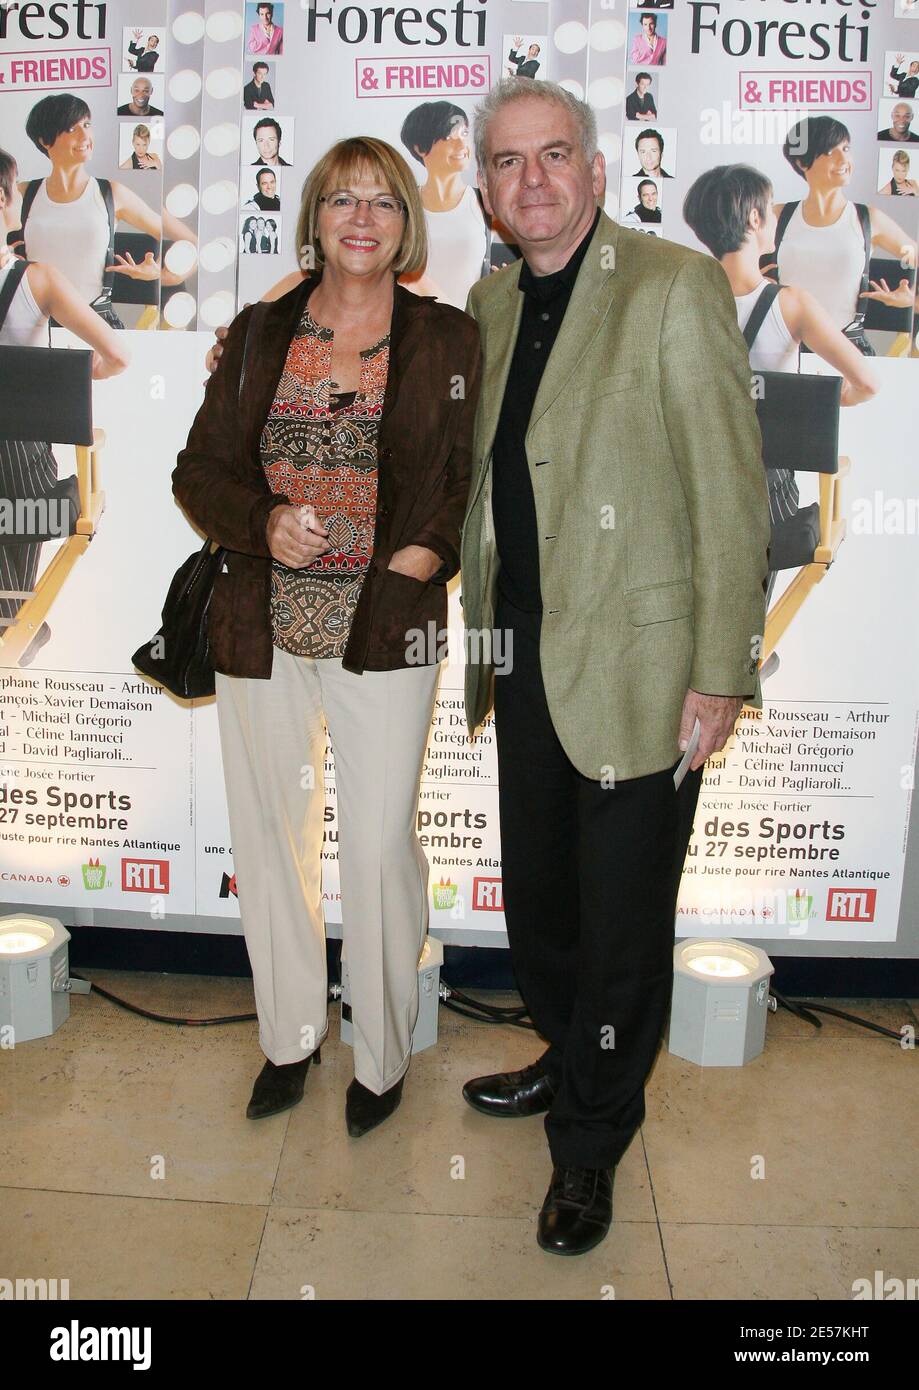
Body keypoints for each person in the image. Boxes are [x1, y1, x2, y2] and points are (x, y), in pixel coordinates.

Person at [459, 78, 770, 1257]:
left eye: (553, 156)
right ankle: (563, 1046)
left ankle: (588, 1146)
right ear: (485, 191)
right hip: (522, 652)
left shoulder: (673, 284)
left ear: (594, 171)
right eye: (506, 162)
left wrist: (721, 667)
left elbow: (731, 495)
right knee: (541, 901)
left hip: (643, 666)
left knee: (623, 921)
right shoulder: (488, 304)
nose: (530, 179)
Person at [172, 137, 480, 1138]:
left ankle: (382, 1053)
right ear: (315, 217)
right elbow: (198, 470)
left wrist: (422, 559)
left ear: (406, 226)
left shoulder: (447, 338)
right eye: (342, 199)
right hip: (263, 625)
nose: (361, 216)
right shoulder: (261, 333)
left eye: (382, 202)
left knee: (381, 845)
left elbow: (465, 480)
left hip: (384, 626)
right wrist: (262, 521)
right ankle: (290, 1035)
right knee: (272, 840)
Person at [683, 163, 879, 608]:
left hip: (689, 490)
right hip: (765, 498)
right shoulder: (790, 305)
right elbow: (867, 382)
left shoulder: (682, 298)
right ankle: (747, 661)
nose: (774, 219)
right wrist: (805, 405)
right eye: (769, 211)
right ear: (753, 220)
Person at [0, 150, 129, 667]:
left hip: (16, 488)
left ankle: (21, 631)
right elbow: (116, 355)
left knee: (14, 618)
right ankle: (20, 631)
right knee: (13, 614)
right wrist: (53, 379)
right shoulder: (39, 280)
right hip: (22, 480)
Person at [14, 94, 196, 328]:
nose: (85, 136)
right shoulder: (21, 193)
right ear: (45, 141)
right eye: (71, 128)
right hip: (33, 325)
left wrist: (163, 276)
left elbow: (190, 243)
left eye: (87, 125)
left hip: (95, 326)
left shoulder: (111, 193)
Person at [771, 116, 916, 352]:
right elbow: (738, 270)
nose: (844, 159)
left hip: (849, 353)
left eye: (846, 148)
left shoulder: (868, 220)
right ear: (801, 162)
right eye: (830, 151)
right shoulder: (777, 217)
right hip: (784, 351)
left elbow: (914, 254)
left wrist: (912, 301)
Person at [400, 101, 489, 310]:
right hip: (417, 333)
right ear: (420, 148)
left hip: (472, 332)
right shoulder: (402, 208)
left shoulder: (485, 203)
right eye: (450, 138)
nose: (462, 146)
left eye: (465, 134)